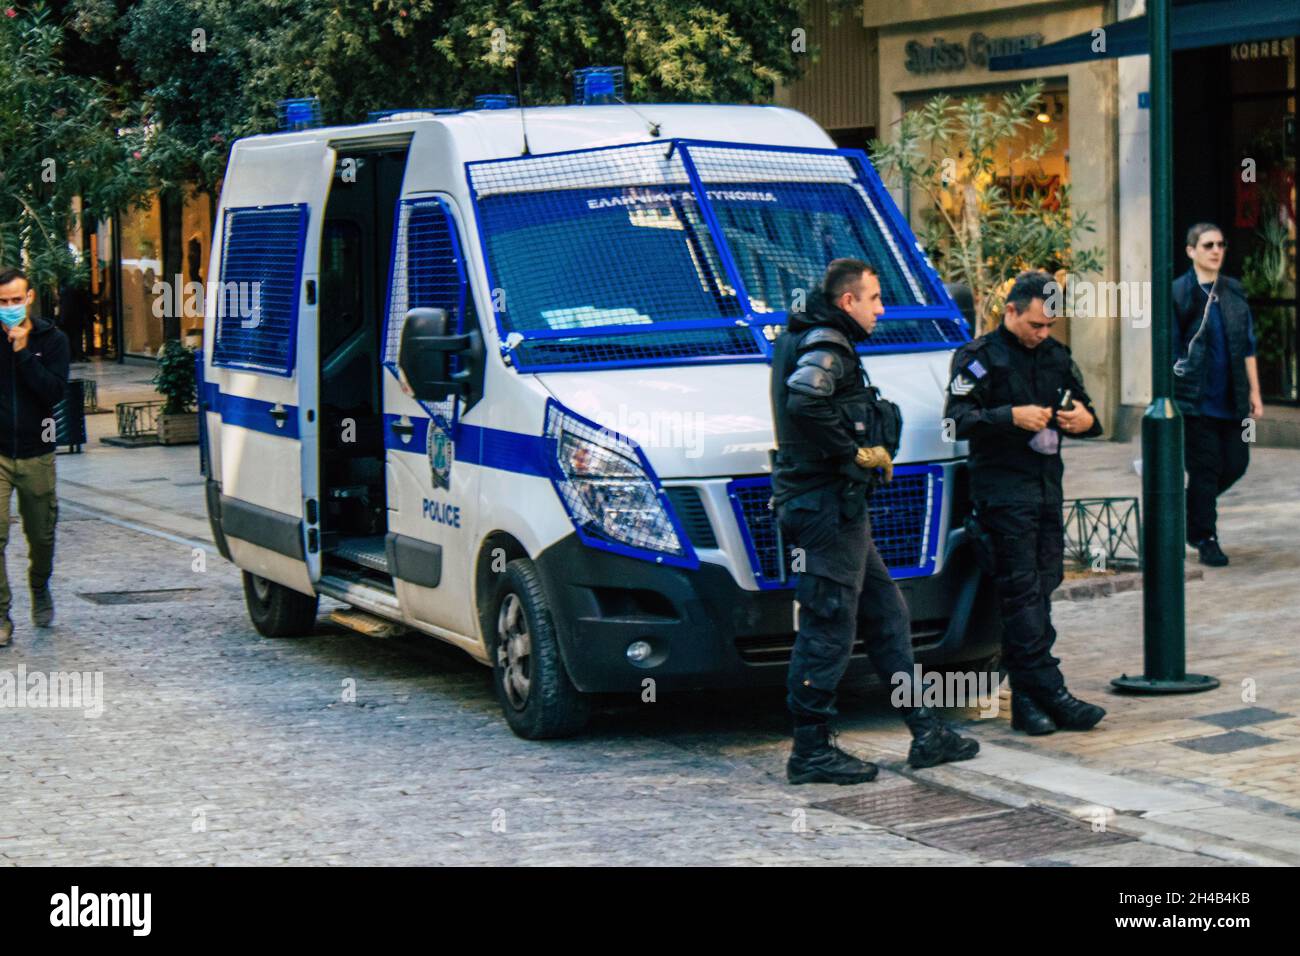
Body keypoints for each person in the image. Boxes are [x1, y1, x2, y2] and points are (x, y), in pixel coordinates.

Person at [771, 258, 979, 784]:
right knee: (828, 628)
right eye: (875, 298)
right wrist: (854, 454)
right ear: (848, 301)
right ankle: (811, 751)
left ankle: (927, 731)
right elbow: (805, 400)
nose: (881, 309)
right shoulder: (828, 344)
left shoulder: (812, 336)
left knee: (887, 617)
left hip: (837, 508)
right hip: (825, 509)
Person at [943, 270, 1105, 736]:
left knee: (1043, 584)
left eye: (1050, 325)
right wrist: (1008, 416)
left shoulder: (1056, 356)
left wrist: (1083, 421)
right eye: (1036, 324)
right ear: (1010, 311)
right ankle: (1052, 691)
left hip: (1046, 489)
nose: (1043, 333)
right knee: (1021, 591)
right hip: (1001, 492)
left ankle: (1027, 704)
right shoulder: (977, 359)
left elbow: (1088, 412)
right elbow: (954, 422)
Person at [1172, 223, 1263, 567]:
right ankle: (1205, 537)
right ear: (1191, 251)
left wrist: (1255, 391)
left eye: (1221, 245)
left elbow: (1248, 346)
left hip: (1234, 400)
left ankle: (1191, 505)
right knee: (1206, 469)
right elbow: (1171, 349)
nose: (1216, 250)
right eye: (1208, 245)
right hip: (1196, 402)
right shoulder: (1179, 292)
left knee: (1237, 464)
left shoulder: (1233, 291)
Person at [0, 267, 71, 646]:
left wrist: (23, 352)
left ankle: (39, 585)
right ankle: (1, 615)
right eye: (2, 302)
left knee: (41, 536)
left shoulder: (52, 339)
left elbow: (53, 393)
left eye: (16, 299)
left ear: (29, 298)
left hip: (37, 453)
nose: (10, 307)